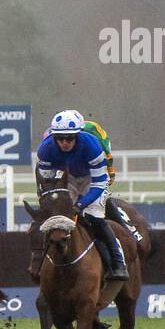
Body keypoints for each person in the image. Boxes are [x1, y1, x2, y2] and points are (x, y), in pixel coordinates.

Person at [35, 109, 129, 281]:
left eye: (69, 138)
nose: (64, 142)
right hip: (66, 178)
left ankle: (117, 263)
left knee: (94, 218)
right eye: (59, 138)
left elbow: (100, 181)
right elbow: (45, 182)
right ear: (53, 137)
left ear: (77, 135)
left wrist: (81, 203)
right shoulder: (45, 149)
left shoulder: (92, 145)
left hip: (92, 180)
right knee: (51, 220)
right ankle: (39, 265)